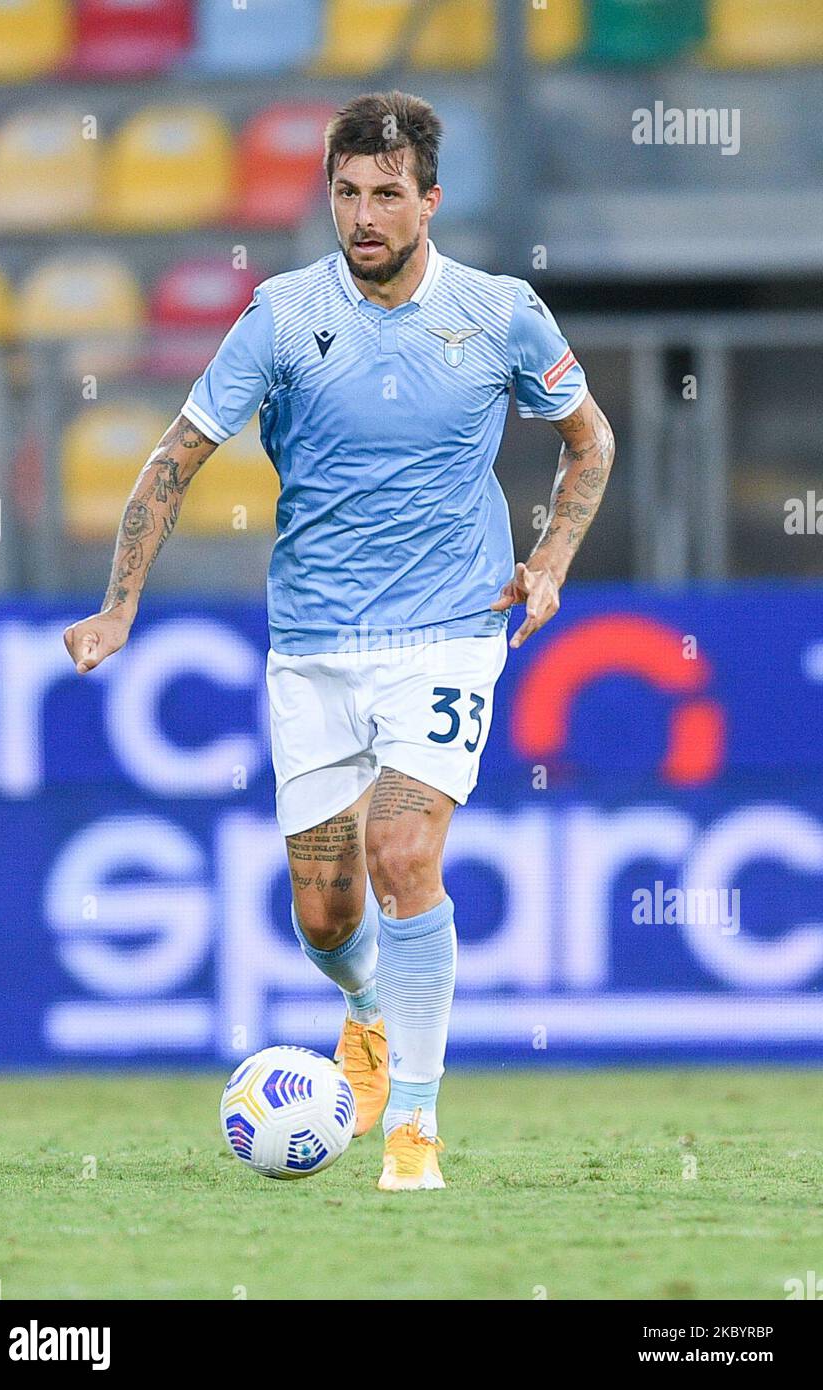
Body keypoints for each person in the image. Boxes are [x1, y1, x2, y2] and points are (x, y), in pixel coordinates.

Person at [64, 90, 615, 1191]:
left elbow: (586, 440)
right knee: (323, 916)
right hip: (312, 644)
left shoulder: (500, 311)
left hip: (451, 634)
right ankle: (364, 1009)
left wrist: (549, 560)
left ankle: (414, 1124)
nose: (363, 215)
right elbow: (174, 458)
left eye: (387, 195)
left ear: (430, 201)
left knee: (405, 853)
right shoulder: (278, 314)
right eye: (347, 193)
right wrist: (120, 604)